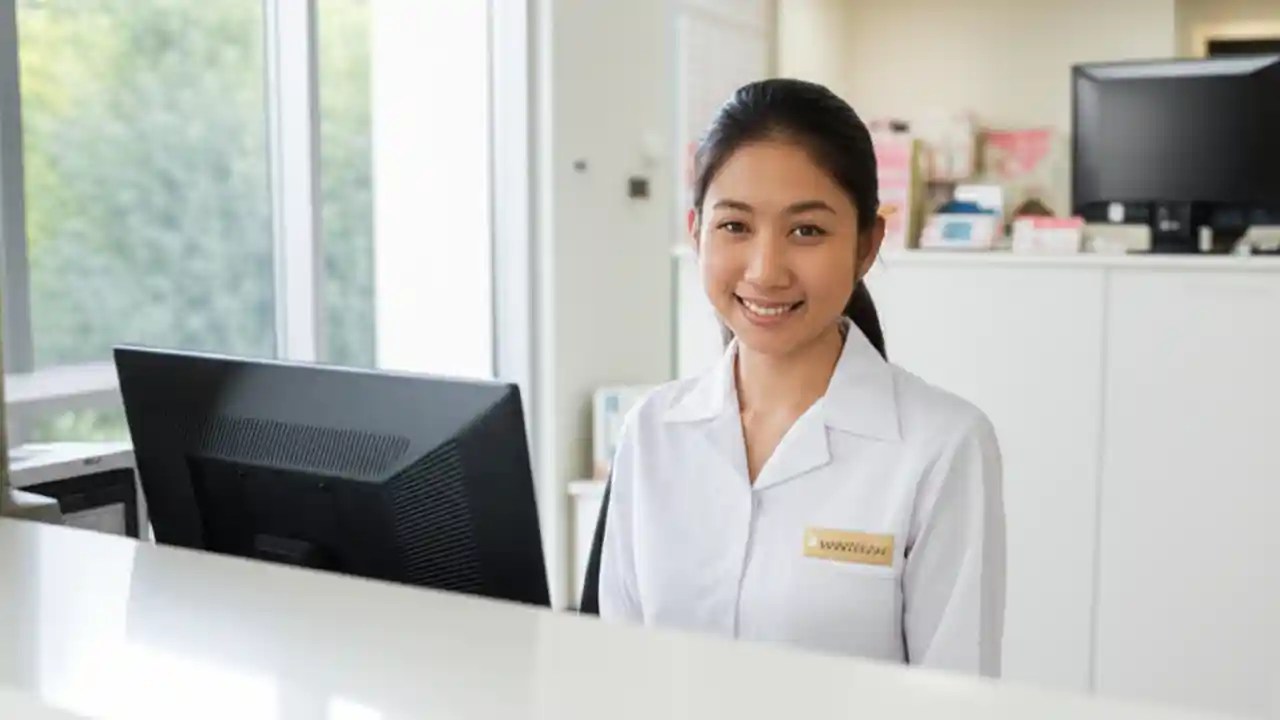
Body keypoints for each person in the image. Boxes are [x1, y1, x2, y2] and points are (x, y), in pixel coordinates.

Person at [597, 79, 1006, 677]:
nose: (765, 271)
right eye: (735, 226)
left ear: (867, 245)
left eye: (806, 231)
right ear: (696, 232)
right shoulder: (653, 432)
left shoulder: (942, 446)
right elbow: (620, 672)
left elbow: (958, 699)